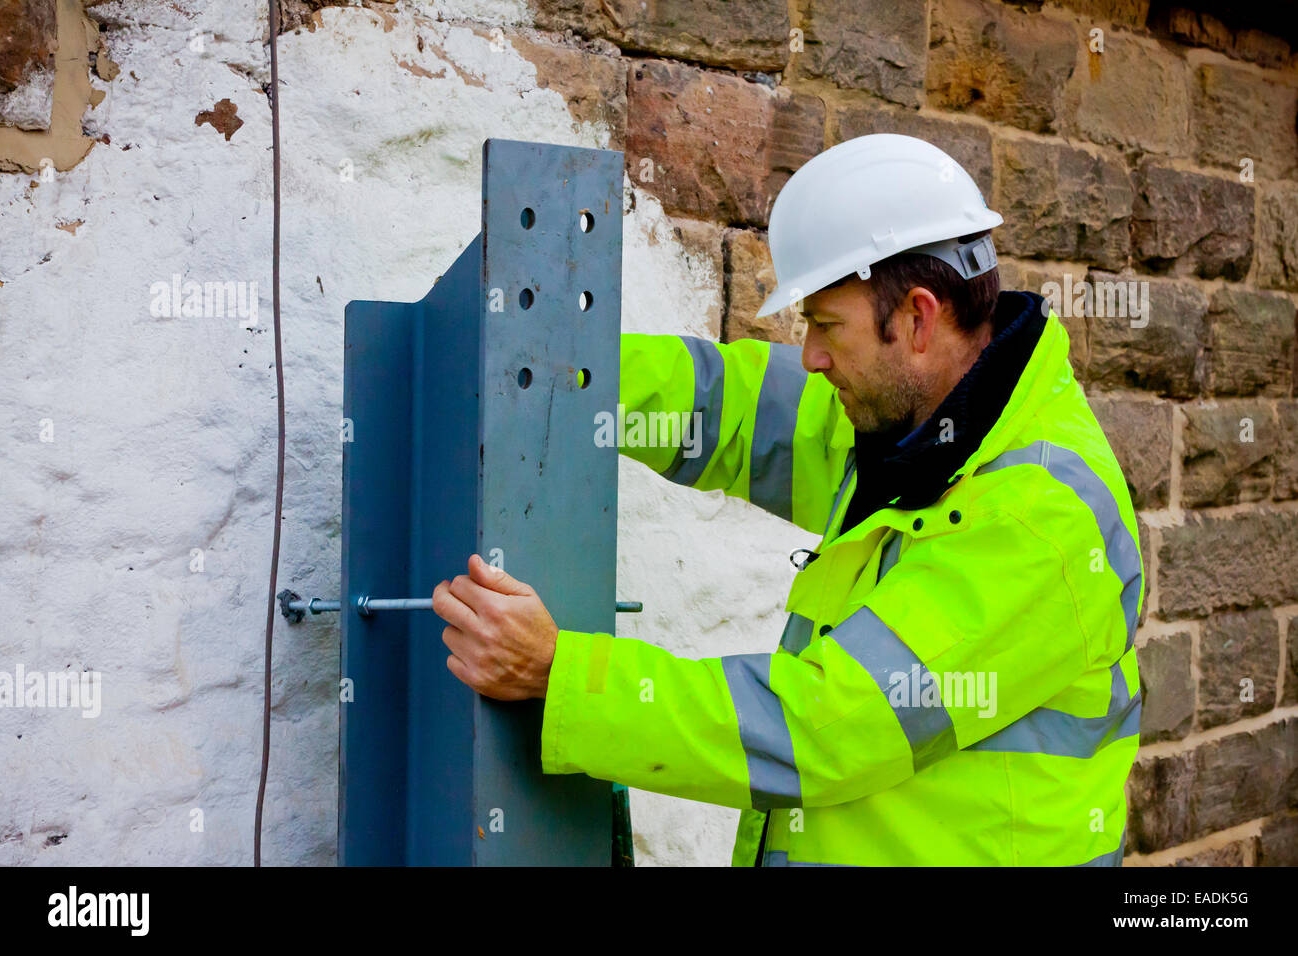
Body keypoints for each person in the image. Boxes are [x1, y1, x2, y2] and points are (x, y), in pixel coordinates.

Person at [432, 134, 1144, 866]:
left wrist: (560, 676)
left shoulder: (1039, 516)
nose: (810, 355)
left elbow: (823, 727)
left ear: (919, 320)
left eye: (826, 326)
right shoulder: (912, 423)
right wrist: (564, 379)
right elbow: (727, 407)